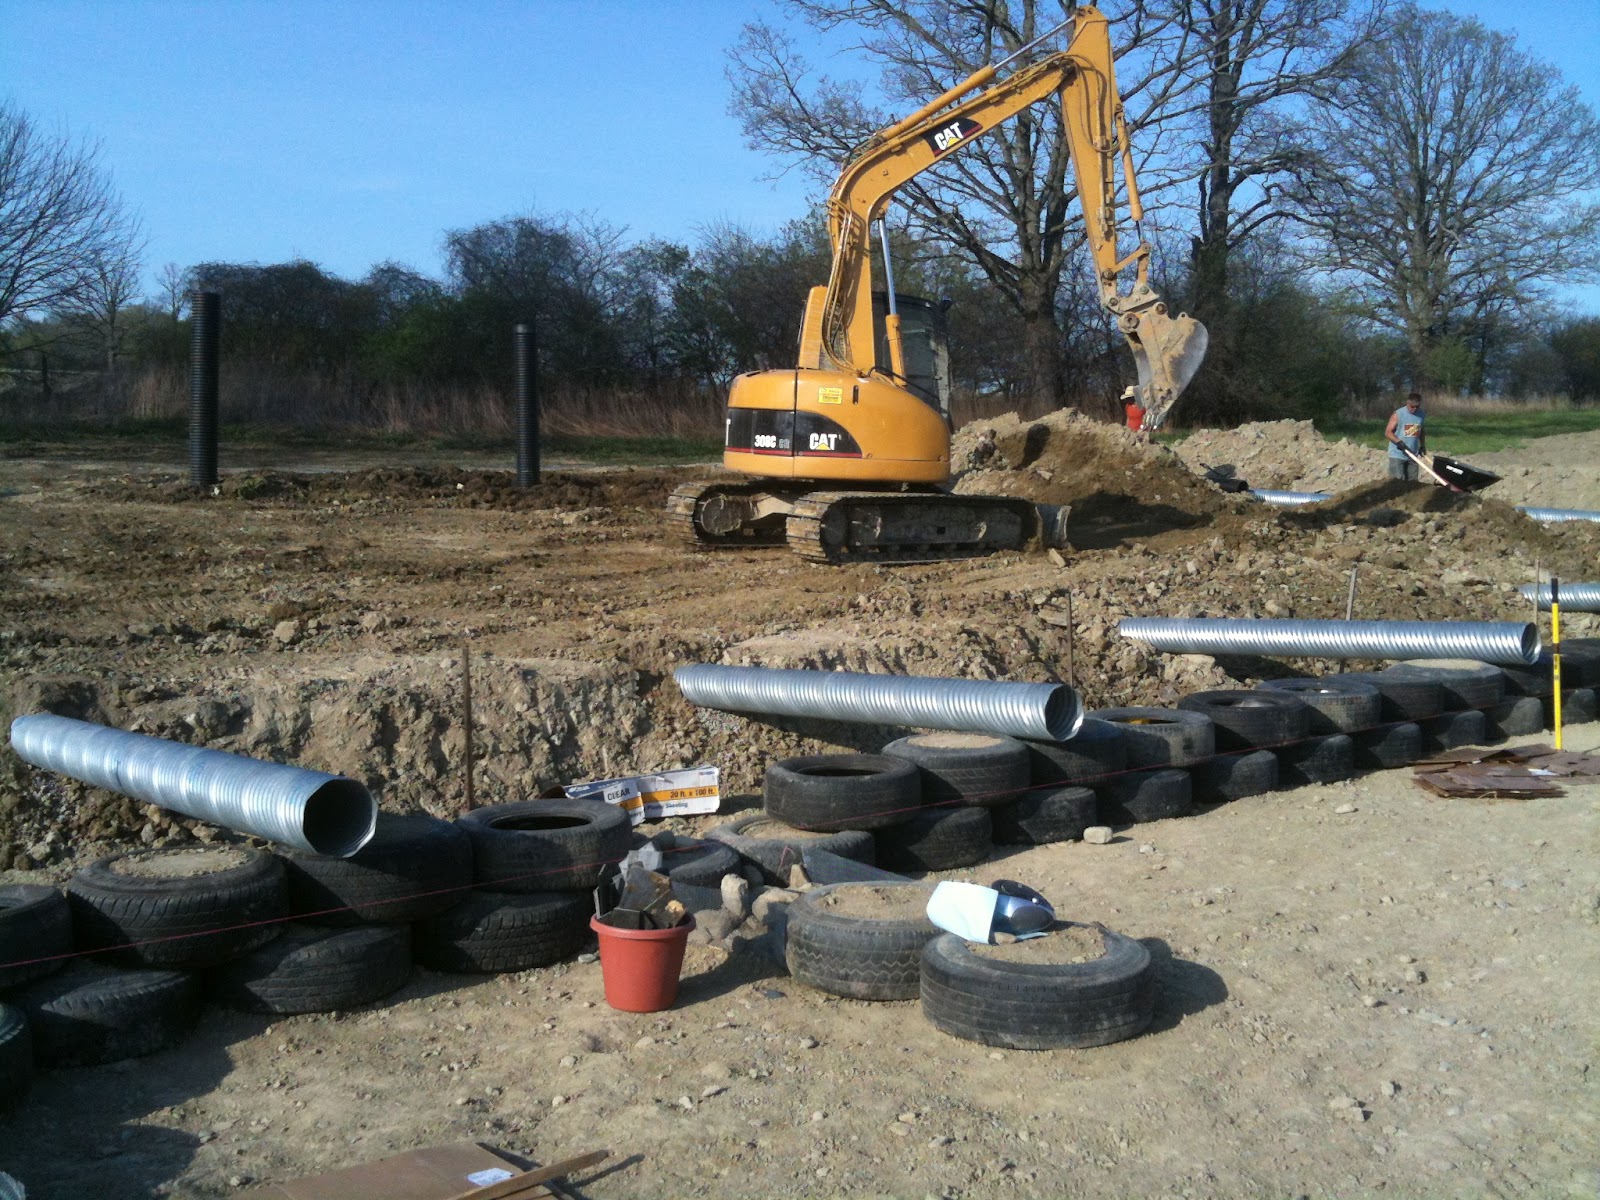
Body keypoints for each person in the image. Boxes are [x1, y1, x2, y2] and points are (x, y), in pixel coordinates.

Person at [1385, 391, 1426, 480]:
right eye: (1412, 407)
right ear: (1407, 403)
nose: (1414, 409)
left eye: (1417, 407)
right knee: (1397, 482)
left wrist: (1422, 445)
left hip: (1413, 454)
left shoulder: (1421, 414)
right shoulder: (1398, 414)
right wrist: (1399, 442)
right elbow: (1388, 432)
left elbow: (1421, 430)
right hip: (1398, 454)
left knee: (1413, 482)